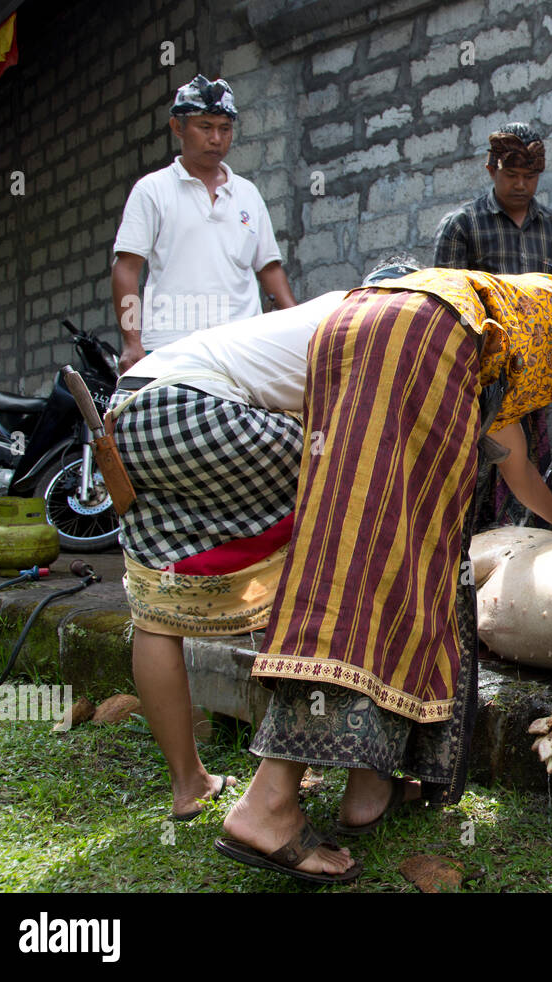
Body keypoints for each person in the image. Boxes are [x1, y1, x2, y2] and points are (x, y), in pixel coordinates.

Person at [217, 266, 552, 883]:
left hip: (352, 324)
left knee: (384, 550)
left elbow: (514, 464)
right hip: (423, 335)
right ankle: (269, 800)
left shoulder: (512, 319)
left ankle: (368, 791)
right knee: (369, 561)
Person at [109, 290, 349, 822]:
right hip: (196, 408)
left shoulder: (317, 311)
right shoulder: (372, 323)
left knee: (154, 609)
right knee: (342, 481)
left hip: (125, 416)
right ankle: (284, 771)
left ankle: (189, 786)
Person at [434, 122, 552, 532]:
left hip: (537, 376)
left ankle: (536, 546)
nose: (521, 185)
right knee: (481, 471)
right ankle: (478, 559)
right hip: (482, 379)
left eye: (530, 177)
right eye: (511, 175)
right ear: (490, 170)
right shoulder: (463, 226)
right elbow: (446, 310)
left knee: (533, 464)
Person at [111, 74, 295, 374]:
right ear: (178, 127)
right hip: (172, 348)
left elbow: (270, 270)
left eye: (225, 129)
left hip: (244, 348)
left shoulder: (248, 193)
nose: (216, 139)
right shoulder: (153, 190)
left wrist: (300, 331)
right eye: (205, 127)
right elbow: (126, 268)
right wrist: (132, 342)